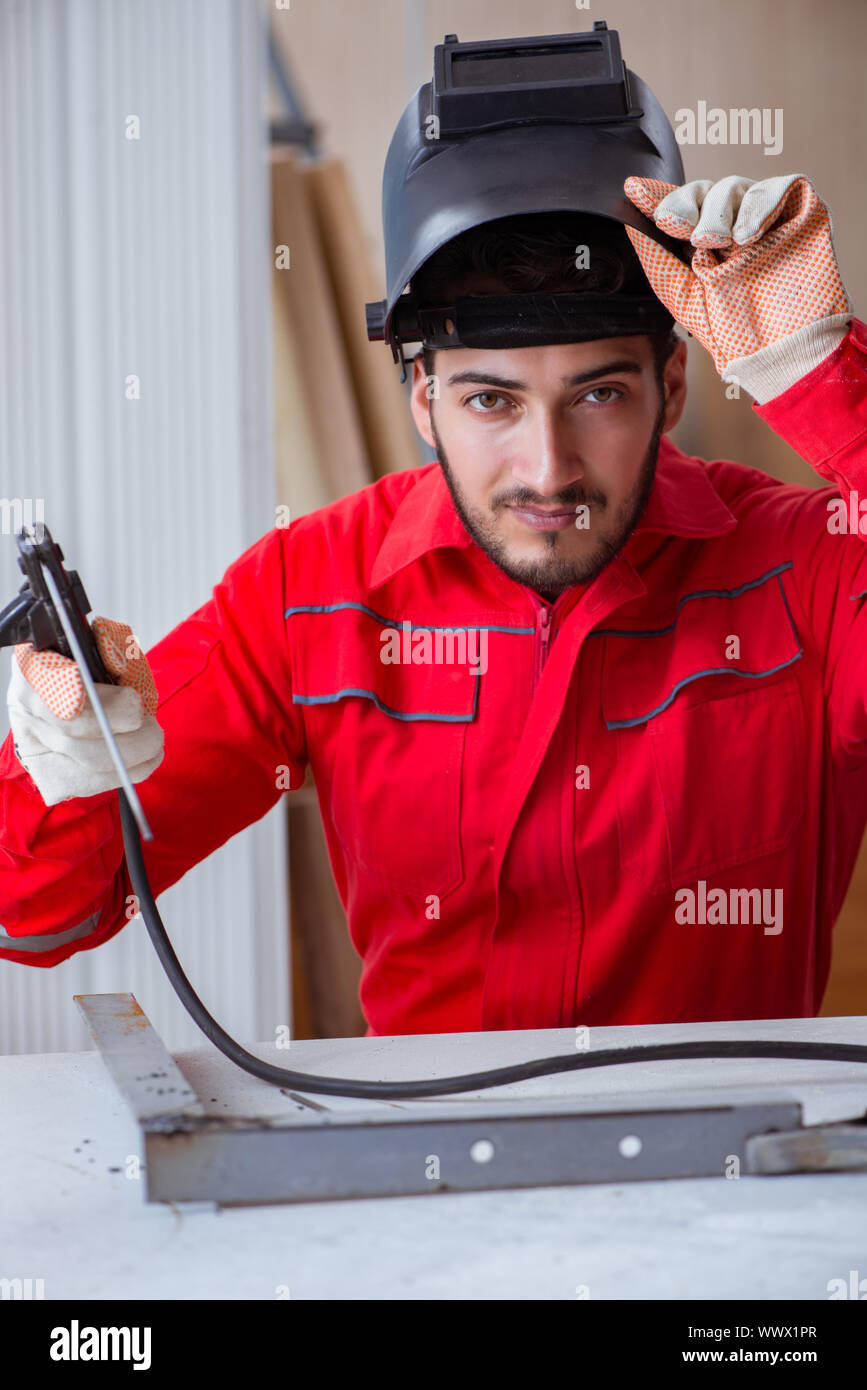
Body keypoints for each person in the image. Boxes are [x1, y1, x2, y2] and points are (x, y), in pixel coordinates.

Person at [1, 54, 865, 1033]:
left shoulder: (806, 568)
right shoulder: (309, 592)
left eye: (599, 393)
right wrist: (67, 771)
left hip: (740, 1167)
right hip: (433, 1176)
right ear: (422, 397)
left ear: (673, 383)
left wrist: (829, 378)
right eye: (491, 398)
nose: (549, 468)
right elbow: (31, 918)